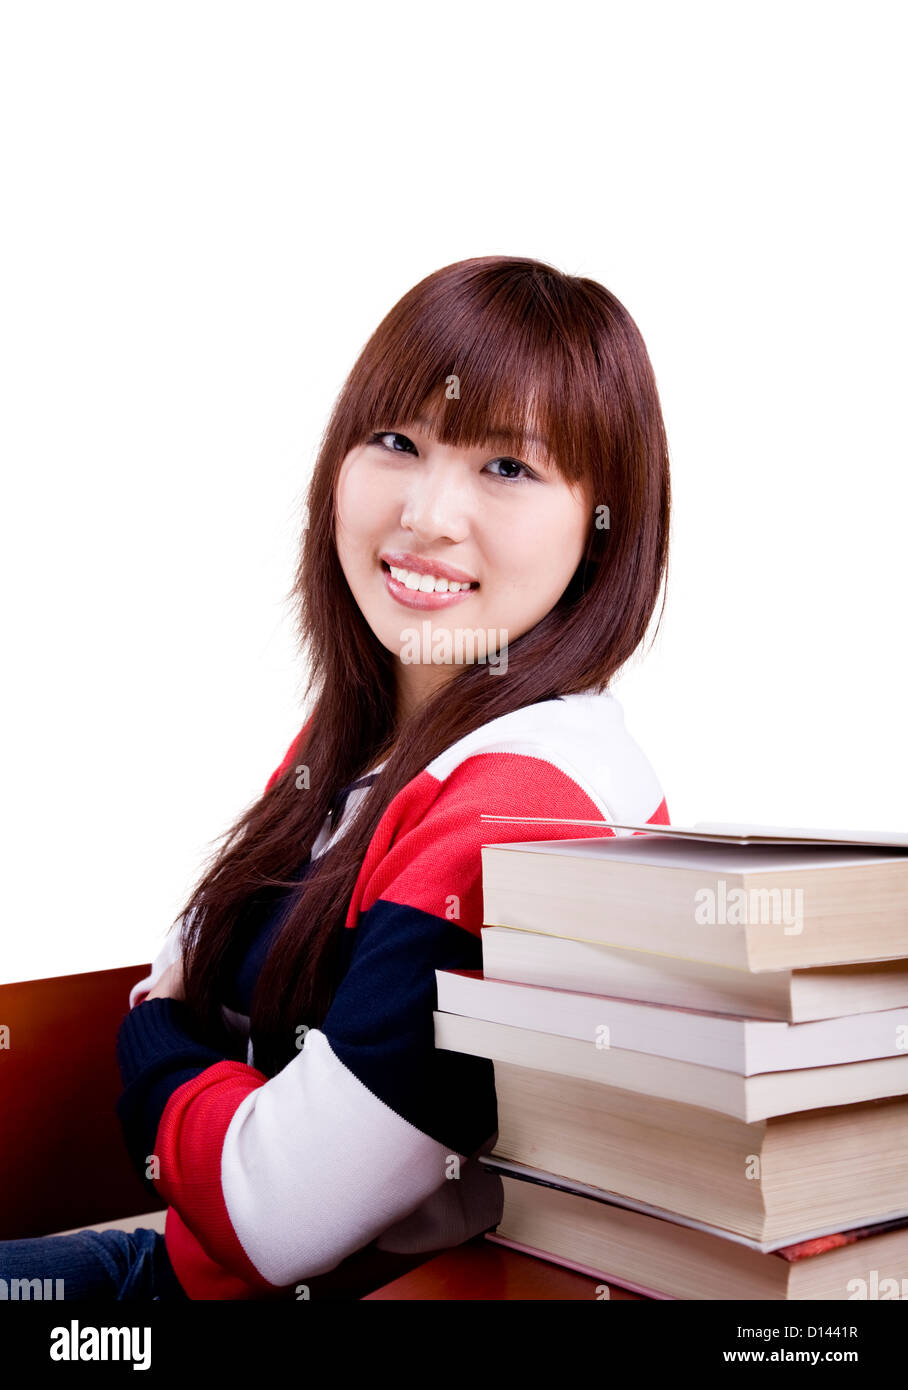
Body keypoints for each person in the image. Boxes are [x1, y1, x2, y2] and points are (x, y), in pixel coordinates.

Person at [0, 254, 671, 1300]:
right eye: (396, 442)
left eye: (507, 467)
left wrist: (155, 1044)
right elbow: (194, 957)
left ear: (603, 522)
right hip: (177, 1268)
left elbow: (277, 1211)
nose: (429, 514)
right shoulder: (367, 733)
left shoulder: (524, 802)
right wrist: (211, 1079)